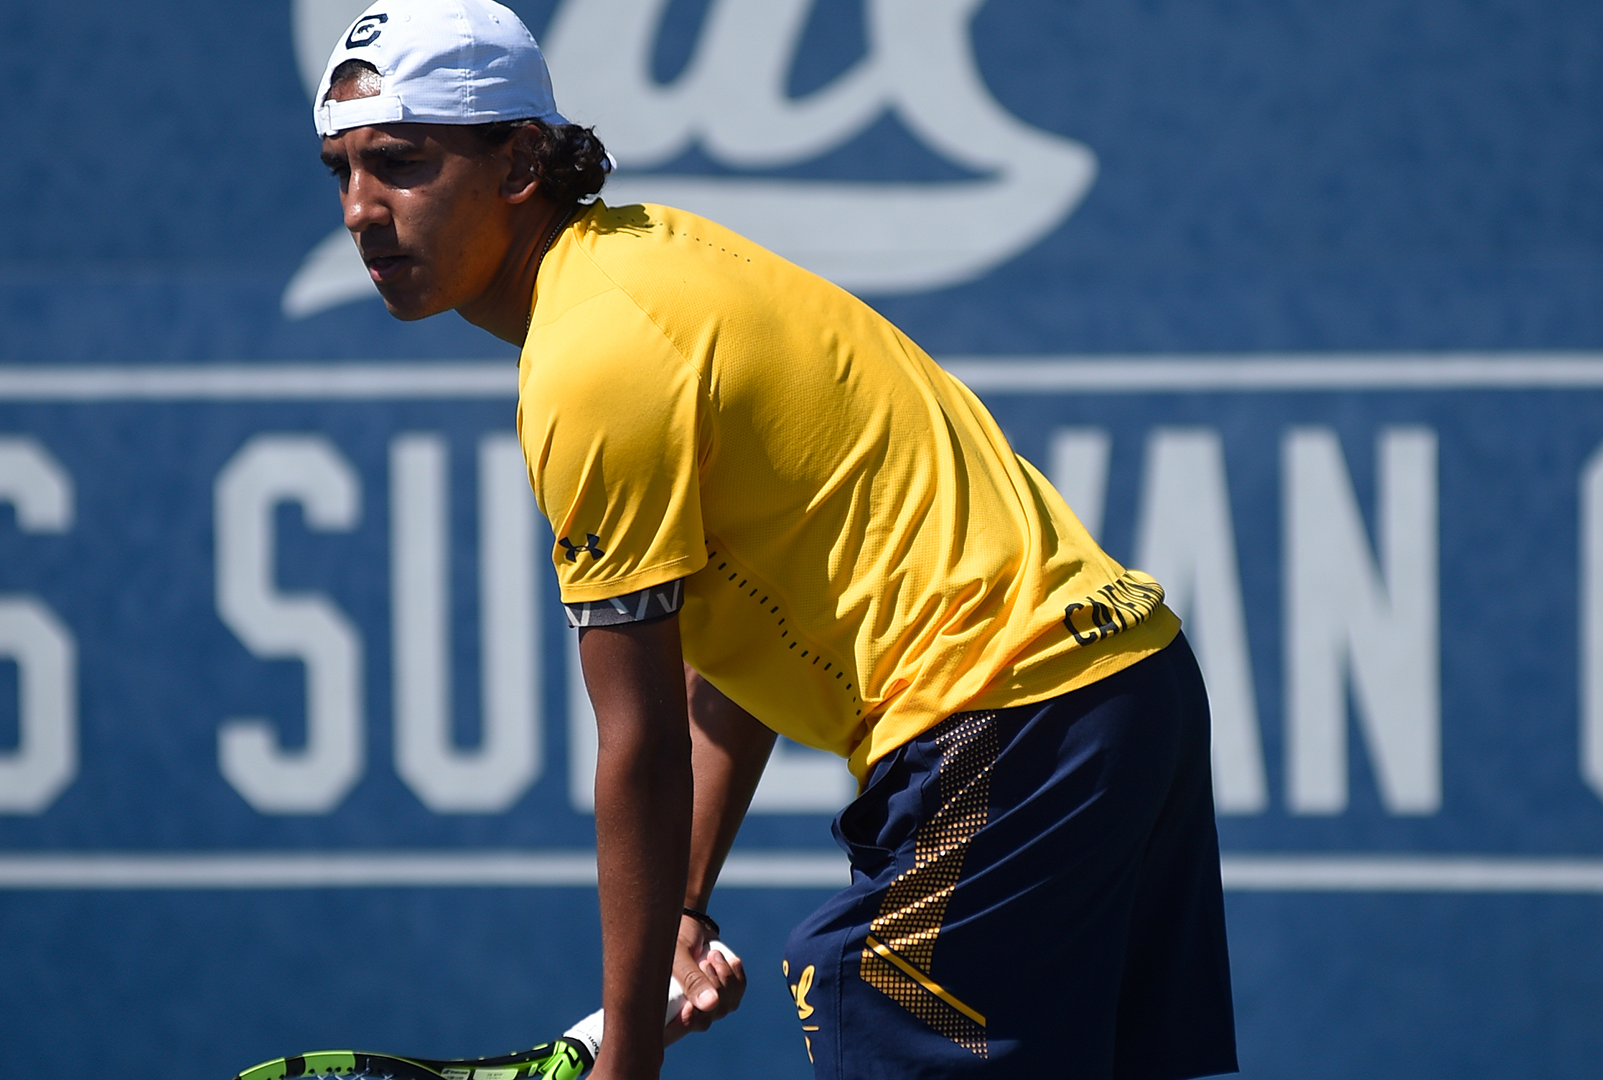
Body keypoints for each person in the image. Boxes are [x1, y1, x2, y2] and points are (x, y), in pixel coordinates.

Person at [311, 2, 1236, 1078]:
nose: (362, 210)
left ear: (521, 161)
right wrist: (681, 913)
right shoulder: (652, 261)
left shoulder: (591, 355)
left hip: (1005, 714)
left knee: (869, 995)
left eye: (402, 164)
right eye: (341, 171)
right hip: (1124, 688)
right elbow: (742, 643)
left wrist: (626, 1066)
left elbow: (642, 745)